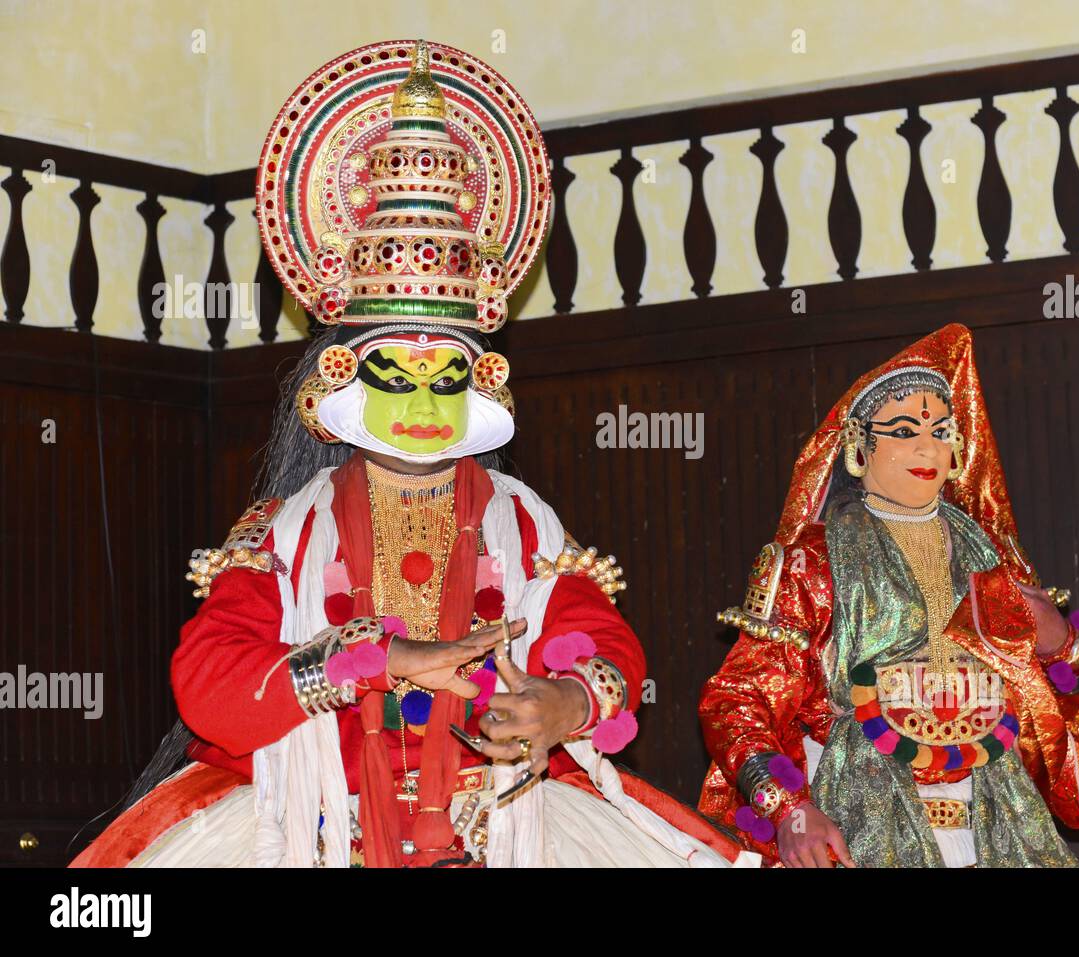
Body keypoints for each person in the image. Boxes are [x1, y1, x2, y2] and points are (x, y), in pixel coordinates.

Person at [72, 39, 743, 869]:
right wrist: (377, 658)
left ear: (481, 383)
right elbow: (210, 684)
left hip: (508, 827)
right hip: (305, 826)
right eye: (398, 374)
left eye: (446, 376)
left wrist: (566, 700)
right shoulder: (281, 531)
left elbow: (599, 642)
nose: (425, 404)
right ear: (343, 379)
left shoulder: (523, 524)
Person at [699, 323, 1079, 867]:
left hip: (1002, 822)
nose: (927, 445)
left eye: (941, 430)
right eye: (902, 430)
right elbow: (736, 700)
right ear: (858, 445)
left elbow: (1075, 687)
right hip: (859, 823)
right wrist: (788, 809)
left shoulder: (991, 555)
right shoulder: (812, 562)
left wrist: (1060, 640)